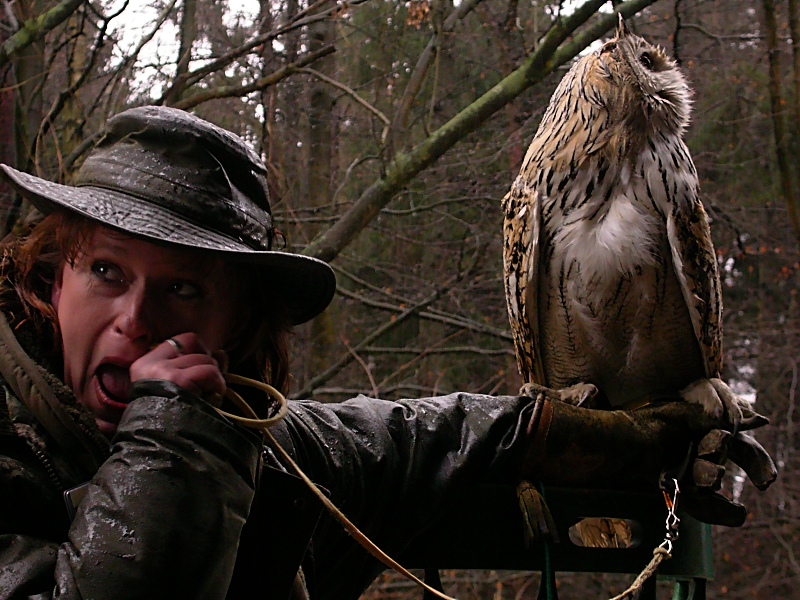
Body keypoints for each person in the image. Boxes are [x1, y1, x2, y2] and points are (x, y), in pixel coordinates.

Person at [0, 106, 775, 600]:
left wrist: (642, 434)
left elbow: (412, 438)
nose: (135, 318)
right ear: (51, 274)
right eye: (106, 271)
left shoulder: (251, 439)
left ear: (236, 325)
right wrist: (171, 436)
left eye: (184, 290)